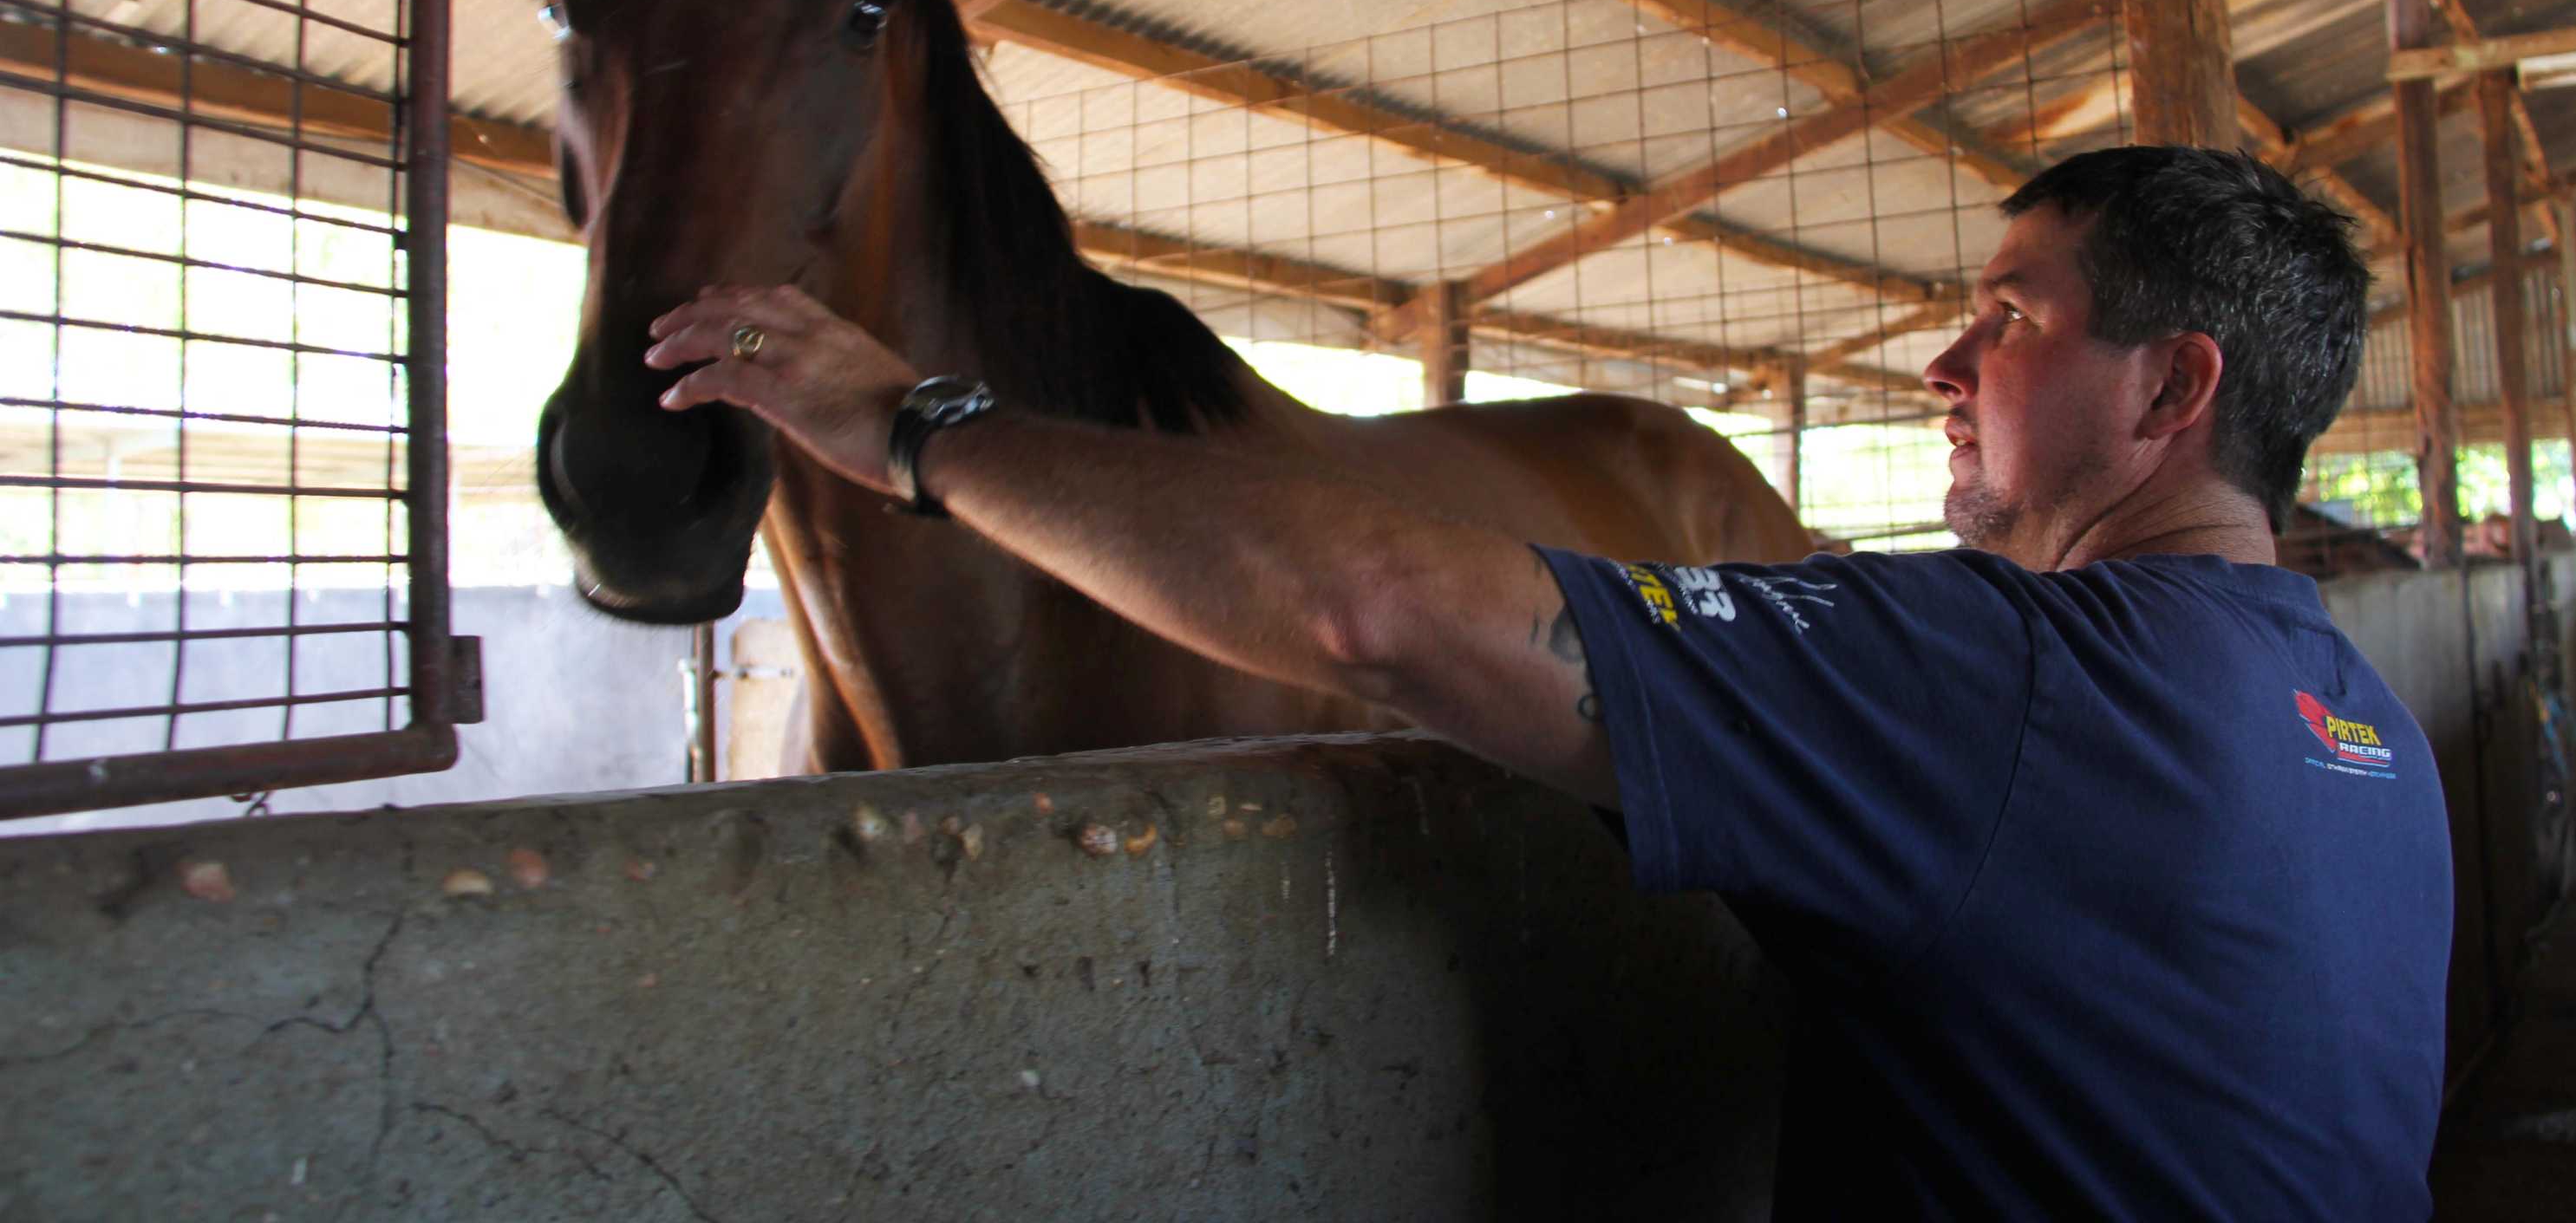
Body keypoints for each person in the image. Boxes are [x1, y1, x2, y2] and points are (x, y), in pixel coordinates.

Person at [646, 145, 2452, 1218]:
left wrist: (909, 426)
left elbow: (1371, 604)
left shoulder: (1996, 680)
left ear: (2168, 391)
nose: (1942, 360)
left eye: (2009, 316)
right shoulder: (2363, 729)